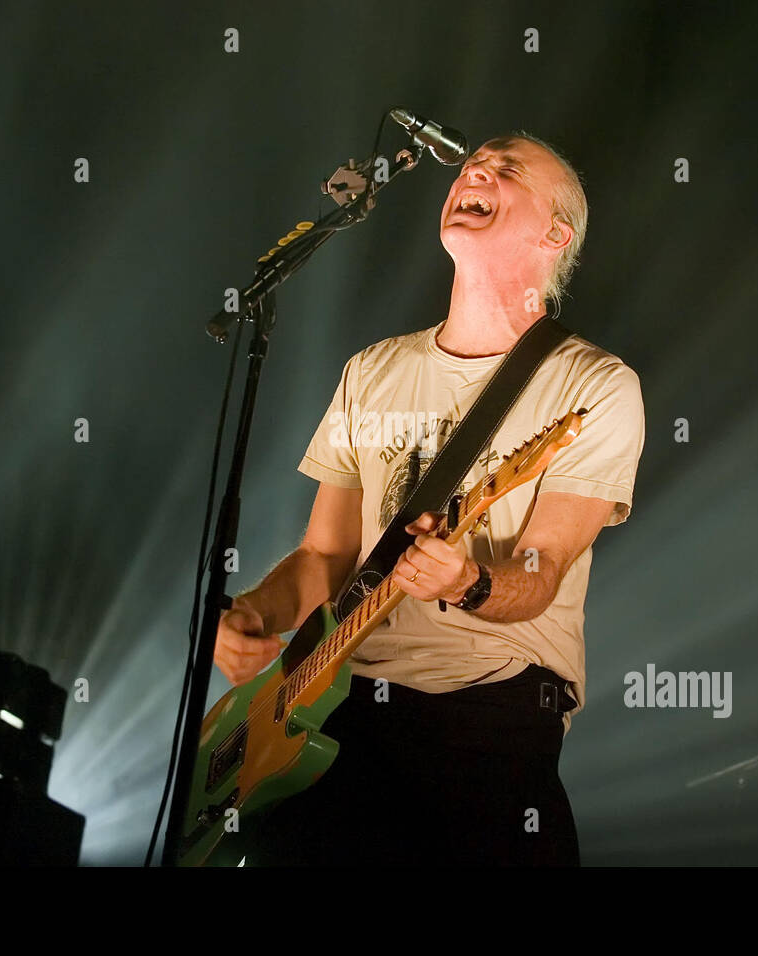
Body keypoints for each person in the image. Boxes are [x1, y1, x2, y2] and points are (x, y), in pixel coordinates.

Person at [213, 132, 646, 865]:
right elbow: (325, 556)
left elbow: (542, 569)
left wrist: (468, 581)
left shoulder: (594, 386)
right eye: (474, 161)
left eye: (507, 168)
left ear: (555, 233)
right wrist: (257, 612)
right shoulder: (372, 369)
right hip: (330, 710)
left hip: (481, 721)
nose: (476, 168)